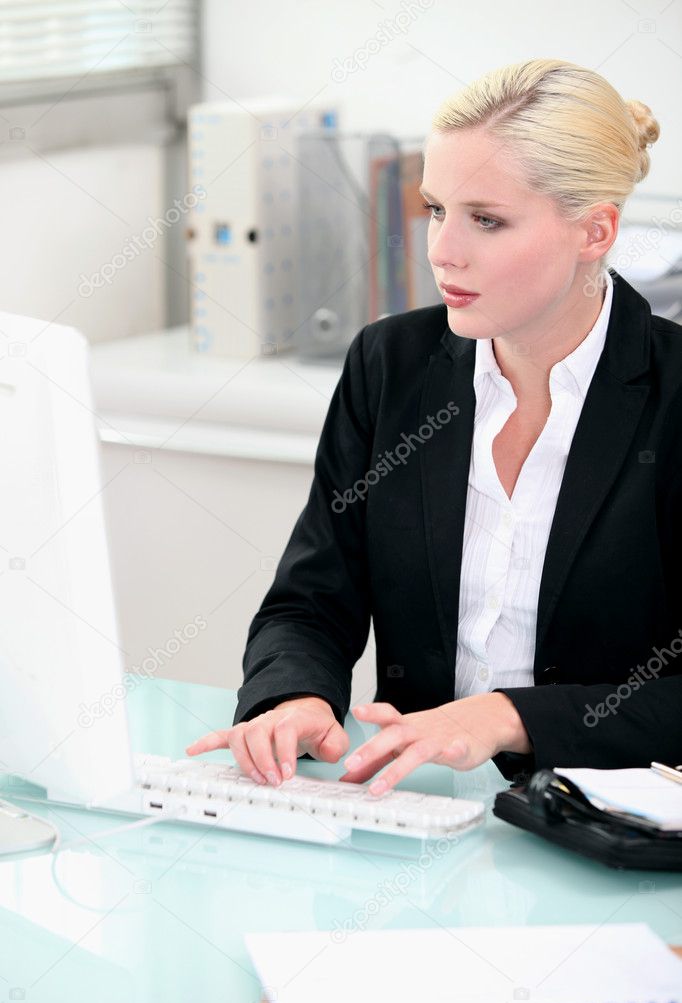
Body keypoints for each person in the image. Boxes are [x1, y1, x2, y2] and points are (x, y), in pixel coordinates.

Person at [186, 57, 682, 795]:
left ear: (595, 231)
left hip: (606, 828)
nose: (442, 250)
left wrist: (509, 717)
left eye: (487, 220)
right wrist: (295, 696)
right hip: (417, 807)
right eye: (437, 209)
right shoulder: (390, 365)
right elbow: (311, 600)